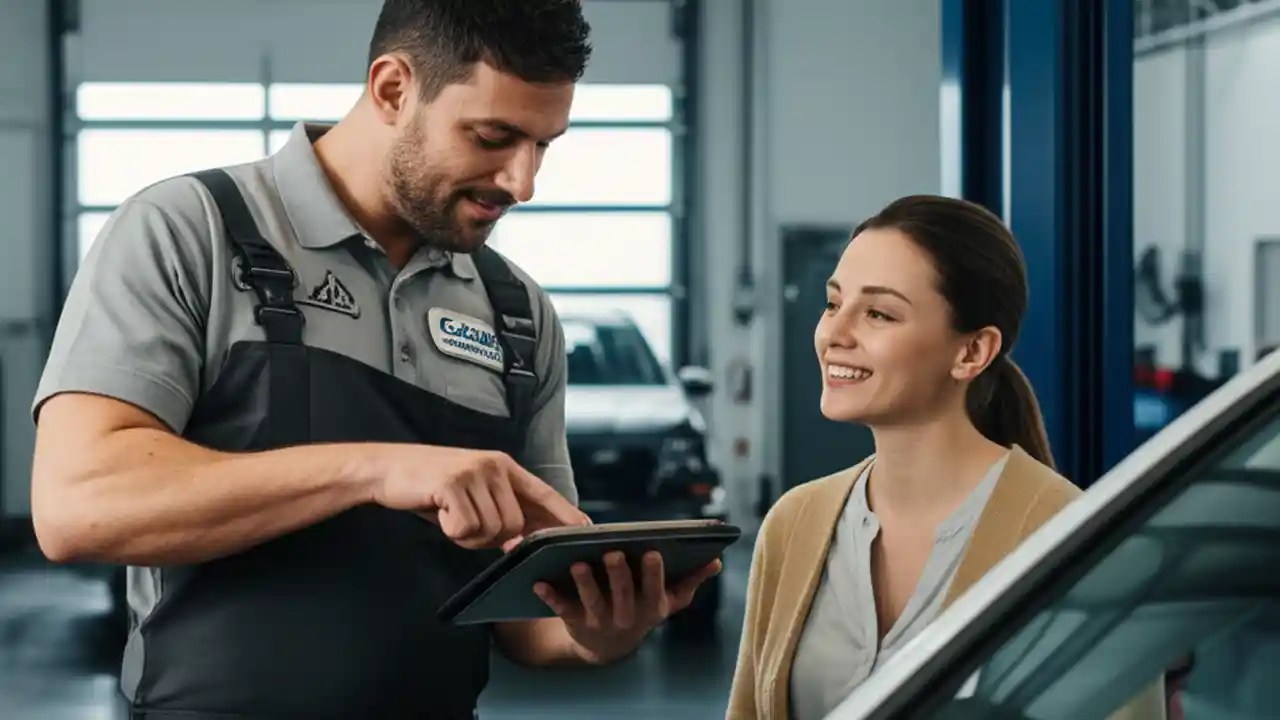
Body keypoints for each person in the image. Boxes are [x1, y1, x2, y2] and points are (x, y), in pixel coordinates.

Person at [29, 1, 719, 718]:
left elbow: (528, 618)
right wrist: (379, 467)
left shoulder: (518, 312)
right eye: (494, 137)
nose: (522, 182)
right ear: (393, 89)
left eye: (544, 145)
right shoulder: (190, 233)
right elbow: (79, 506)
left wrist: (599, 633)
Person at [726, 195, 1165, 720]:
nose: (834, 335)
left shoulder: (1082, 544)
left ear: (972, 352)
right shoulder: (793, 525)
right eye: (832, 303)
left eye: (878, 313)